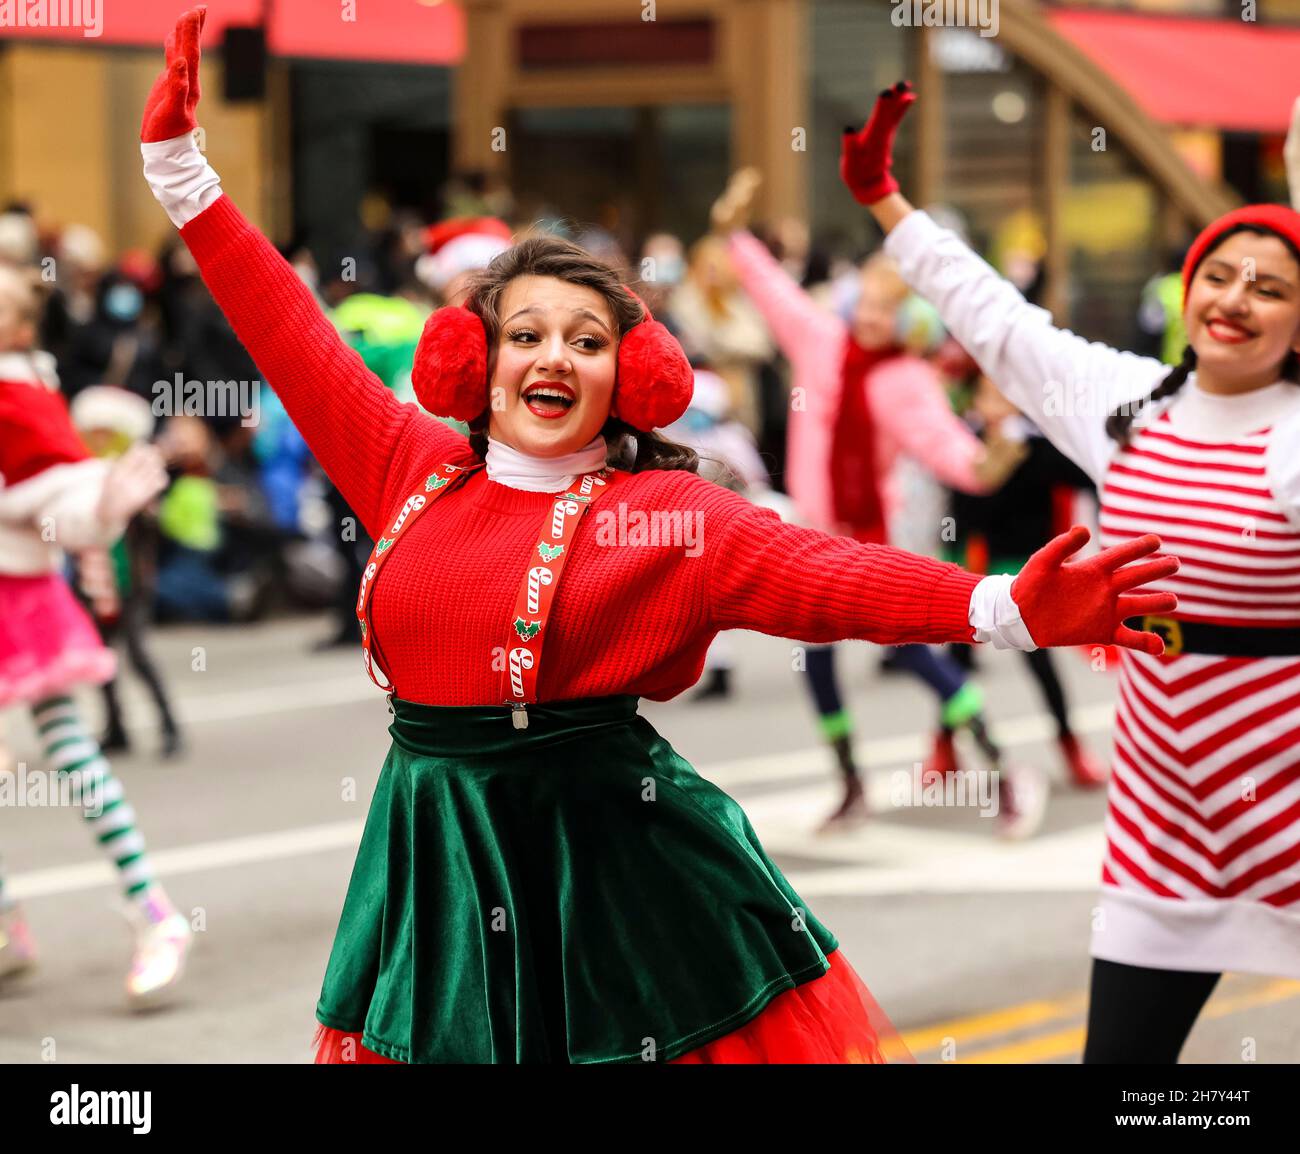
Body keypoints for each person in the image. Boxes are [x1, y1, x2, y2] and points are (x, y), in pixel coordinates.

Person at [139, 10, 1175, 1064]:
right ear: (471, 360)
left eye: (587, 340)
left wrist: (999, 605)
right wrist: (181, 171)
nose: (554, 356)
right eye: (525, 333)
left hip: (615, 884)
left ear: (629, 378)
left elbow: (825, 573)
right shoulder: (407, 464)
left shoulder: (666, 517)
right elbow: (285, 326)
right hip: (433, 860)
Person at [848, 79, 1300, 1063]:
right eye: (1220, 275)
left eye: (1270, 289)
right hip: (1166, 805)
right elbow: (994, 316)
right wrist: (883, 194)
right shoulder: (1126, 400)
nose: (1234, 301)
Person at [713, 170, 1037, 834]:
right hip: (809, 538)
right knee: (818, 664)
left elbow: (959, 458)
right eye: (866, 297)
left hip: (870, 544)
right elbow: (769, 288)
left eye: (889, 306)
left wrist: (999, 447)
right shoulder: (819, 341)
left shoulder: (904, 381)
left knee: (918, 653)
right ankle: (850, 781)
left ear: (913, 320)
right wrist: (732, 230)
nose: (869, 312)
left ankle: (1001, 770)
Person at [0, 264, 193, 1005]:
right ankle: (10, 926)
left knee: (71, 750)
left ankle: (154, 911)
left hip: (18, 598)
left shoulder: (20, 396)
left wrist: (102, 510)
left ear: (22, 329)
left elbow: (64, 492)